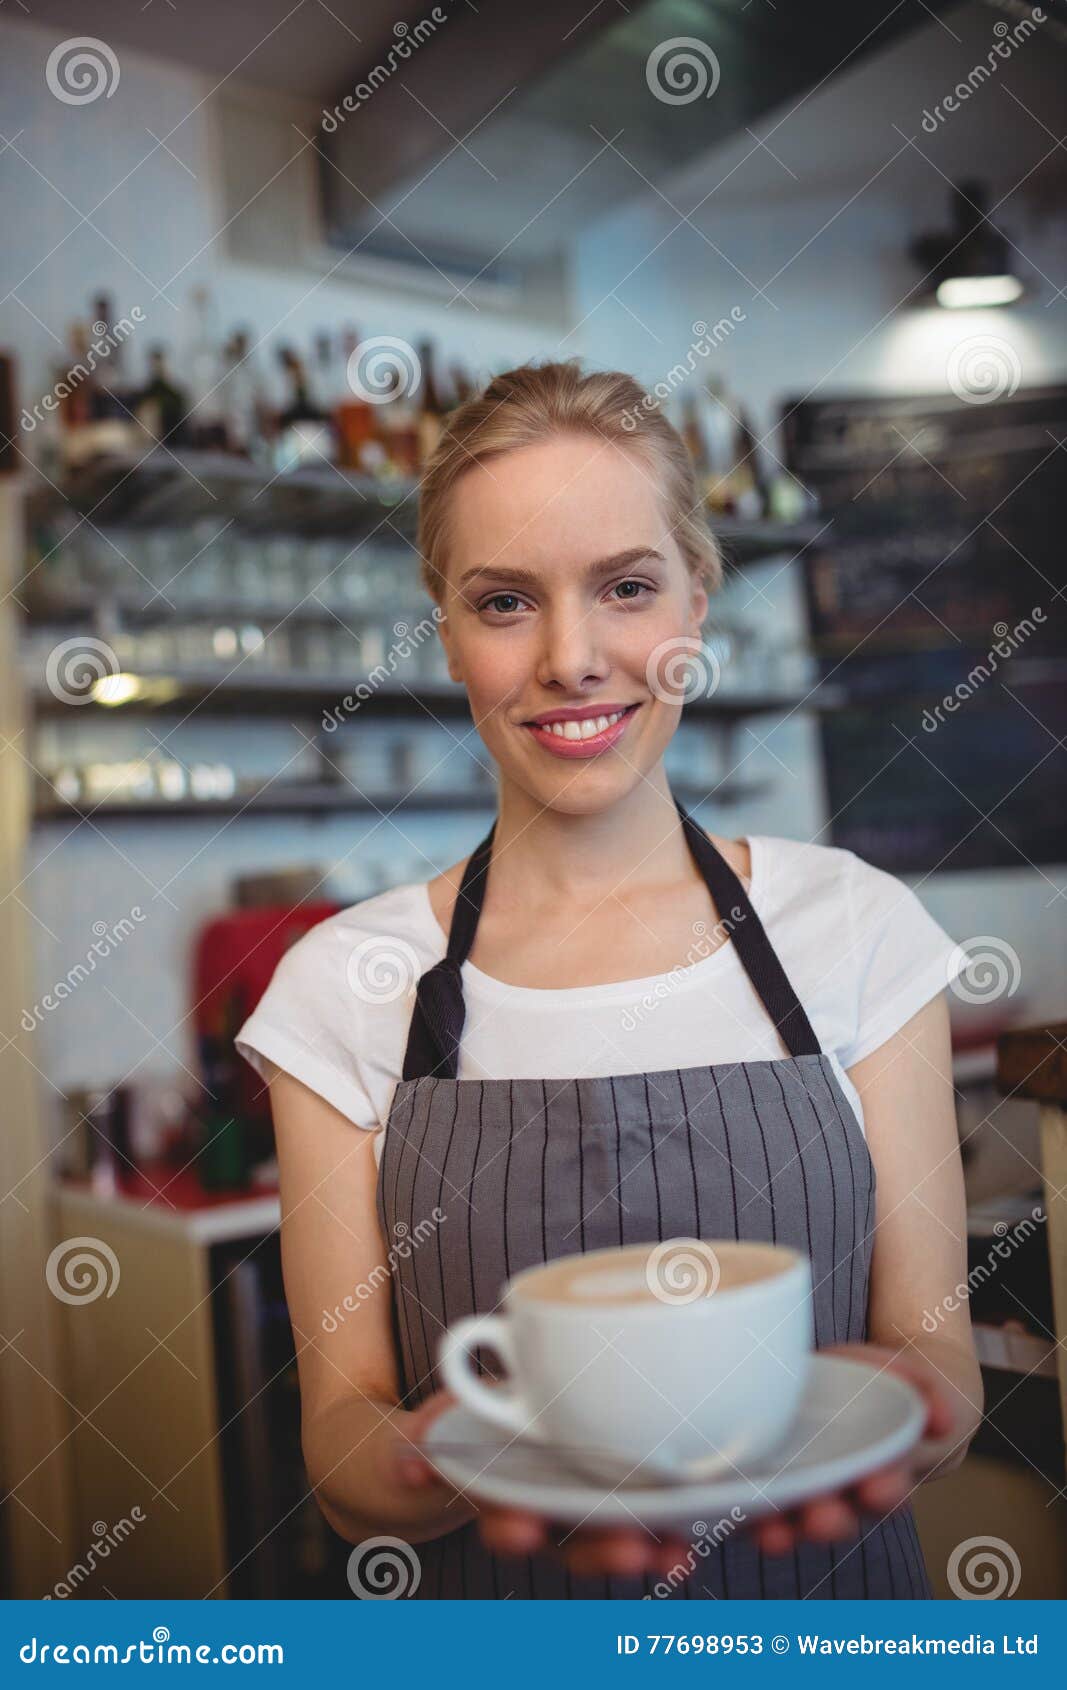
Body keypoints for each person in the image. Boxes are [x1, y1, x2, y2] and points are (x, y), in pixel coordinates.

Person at [235, 360, 983, 1599]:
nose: (572, 658)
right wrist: (458, 1464)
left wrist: (916, 1406)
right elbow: (343, 1435)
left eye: (626, 588)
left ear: (696, 597)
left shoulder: (857, 926)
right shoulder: (345, 985)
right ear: (446, 630)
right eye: (504, 602)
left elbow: (934, 1358)